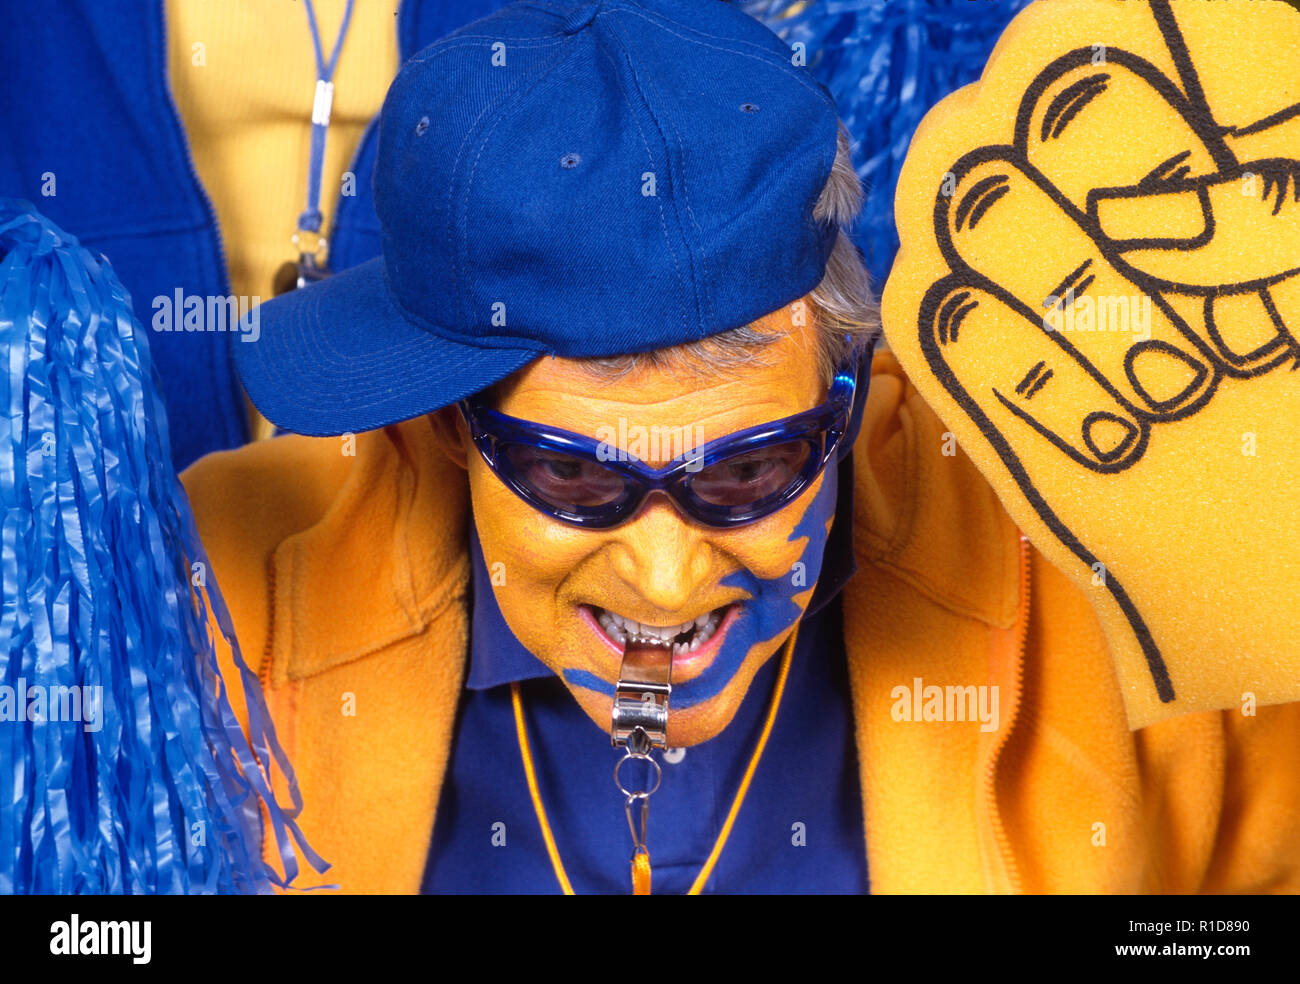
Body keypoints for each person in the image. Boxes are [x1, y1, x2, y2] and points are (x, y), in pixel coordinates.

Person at [181, 0, 1300, 894]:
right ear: (445, 435)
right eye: (572, 475)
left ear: (847, 396)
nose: (665, 582)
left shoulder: (1088, 555)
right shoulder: (215, 597)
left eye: (750, 470)